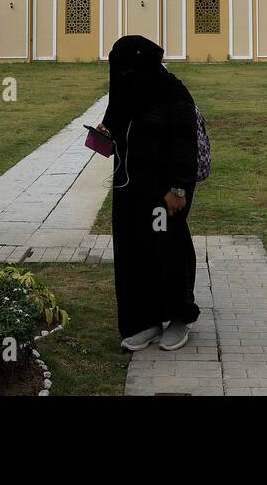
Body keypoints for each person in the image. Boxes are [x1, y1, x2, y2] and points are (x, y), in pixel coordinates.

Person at [96, 35, 199, 352]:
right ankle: (144, 321)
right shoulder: (126, 90)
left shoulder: (172, 92)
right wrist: (105, 132)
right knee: (133, 253)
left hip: (165, 190)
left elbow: (184, 142)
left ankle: (179, 318)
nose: (121, 75)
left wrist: (178, 187)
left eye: (127, 68)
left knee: (168, 248)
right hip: (130, 187)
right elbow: (116, 123)